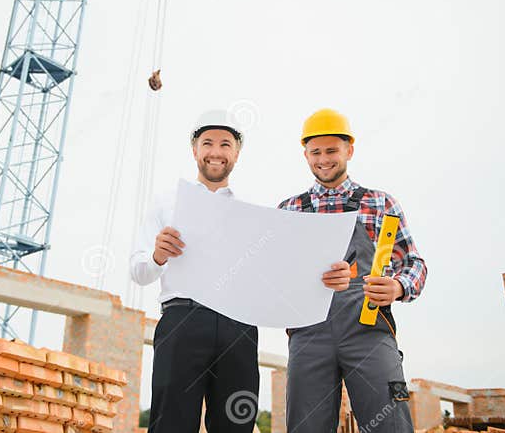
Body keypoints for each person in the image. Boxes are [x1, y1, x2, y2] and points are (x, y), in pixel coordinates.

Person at [130, 109, 352, 433]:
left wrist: (330, 278)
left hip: (239, 328)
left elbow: (283, 271)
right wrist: (157, 256)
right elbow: (139, 273)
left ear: (237, 153)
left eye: (225, 144)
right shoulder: (166, 203)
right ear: (195, 150)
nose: (216, 152)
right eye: (208, 143)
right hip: (183, 323)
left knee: (236, 424)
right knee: (171, 423)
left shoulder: (255, 210)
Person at [279, 108, 427, 432]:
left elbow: (413, 263)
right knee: (305, 426)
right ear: (305, 154)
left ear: (350, 149)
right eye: (315, 152)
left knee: (393, 421)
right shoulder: (289, 210)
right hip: (308, 336)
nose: (324, 159)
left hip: (371, 332)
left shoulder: (380, 203)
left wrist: (398, 286)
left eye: (332, 150)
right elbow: (274, 276)